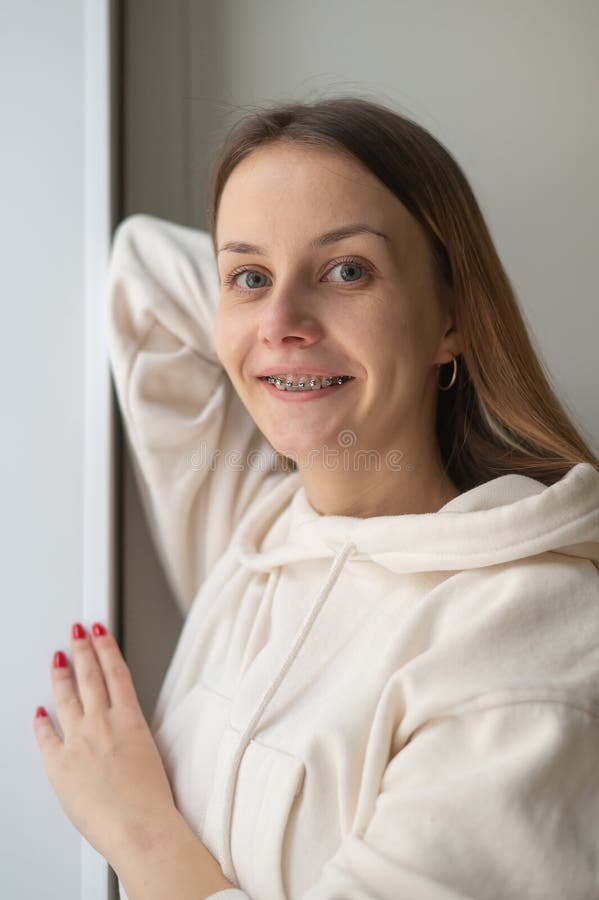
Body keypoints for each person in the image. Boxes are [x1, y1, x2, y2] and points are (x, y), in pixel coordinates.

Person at [35, 97, 599, 900]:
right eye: (248, 277)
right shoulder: (261, 530)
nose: (282, 320)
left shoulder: (532, 635)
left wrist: (137, 832)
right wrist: (284, 331)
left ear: (452, 317)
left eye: (348, 271)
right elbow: (144, 273)